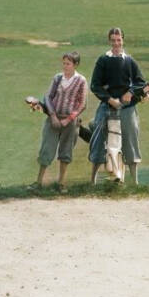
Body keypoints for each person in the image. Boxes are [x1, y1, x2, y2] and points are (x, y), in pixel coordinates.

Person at [88, 27, 149, 185]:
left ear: (123, 40)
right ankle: (92, 182)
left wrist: (131, 92)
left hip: (127, 108)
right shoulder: (103, 60)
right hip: (107, 107)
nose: (116, 43)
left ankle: (135, 183)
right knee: (98, 140)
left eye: (118, 40)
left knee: (131, 141)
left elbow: (141, 82)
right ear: (109, 41)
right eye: (113, 40)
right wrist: (110, 99)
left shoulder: (130, 61)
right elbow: (95, 85)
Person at [31, 51, 88, 192]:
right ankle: (38, 182)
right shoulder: (57, 78)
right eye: (64, 63)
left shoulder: (81, 80)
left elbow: (82, 104)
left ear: (75, 65)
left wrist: (68, 120)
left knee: (66, 151)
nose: (65, 66)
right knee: (46, 149)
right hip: (54, 119)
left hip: (70, 122)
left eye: (68, 64)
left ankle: (61, 183)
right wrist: (53, 116)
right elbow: (48, 97)